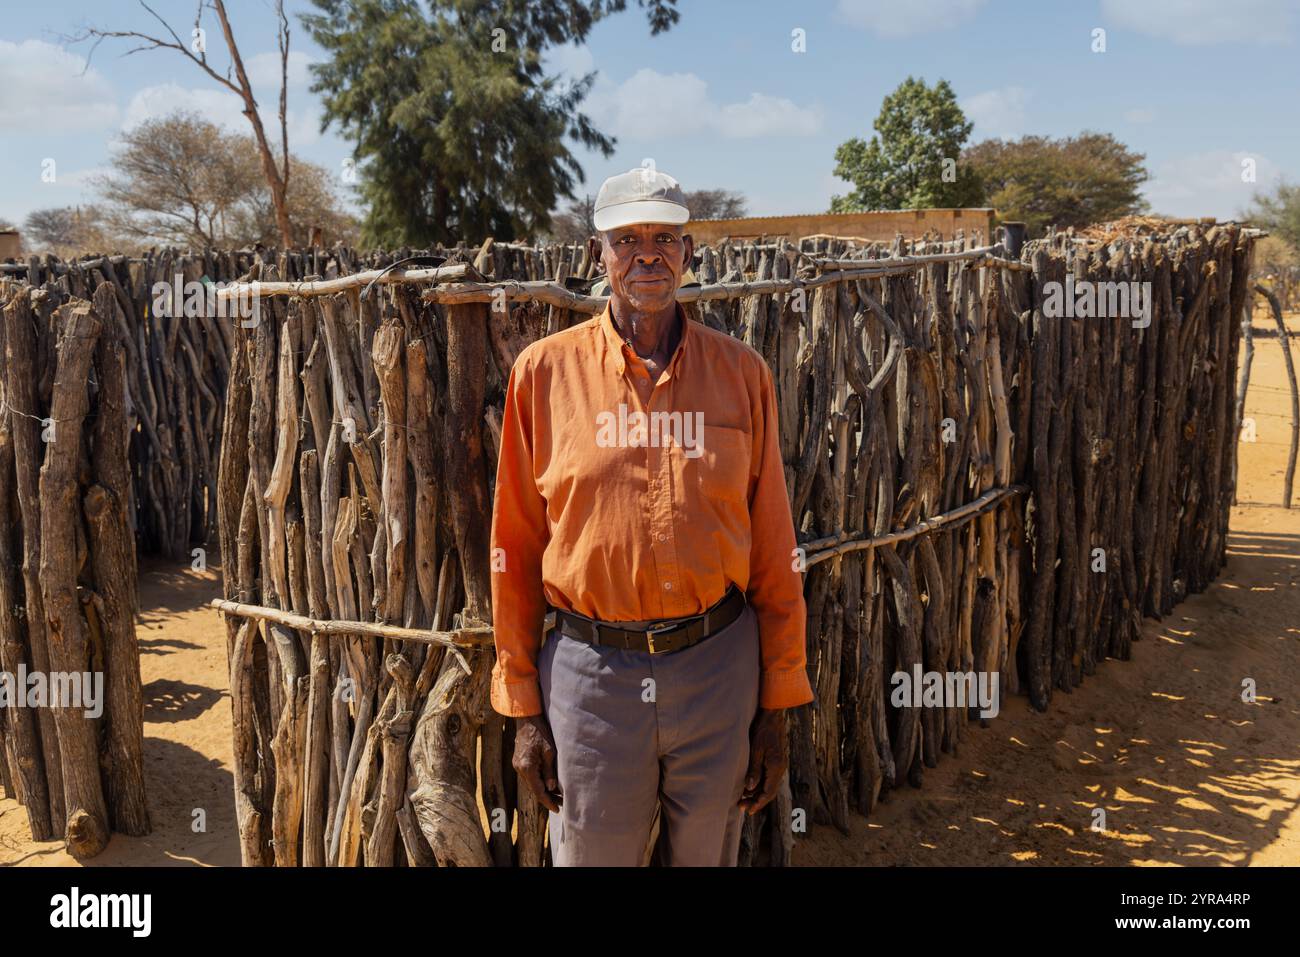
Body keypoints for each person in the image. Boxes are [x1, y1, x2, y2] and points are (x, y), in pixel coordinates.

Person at [489, 165, 813, 866]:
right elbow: (514, 546)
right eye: (627, 238)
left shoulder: (741, 375)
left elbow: (773, 547)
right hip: (591, 678)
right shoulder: (543, 376)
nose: (647, 254)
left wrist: (777, 700)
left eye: (664, 237)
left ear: (689, 253)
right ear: (598, 253)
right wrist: (523, 708)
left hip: (718, 668)